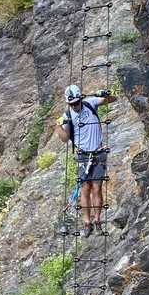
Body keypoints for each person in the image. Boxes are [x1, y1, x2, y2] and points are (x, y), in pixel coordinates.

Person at [57, 83, 115, 237]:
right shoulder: (68, 115)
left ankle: (97, 221)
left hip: (98, 152)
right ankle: (87, 222)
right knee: (85, 189)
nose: (75, 106)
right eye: (72, 104)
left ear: (81, 99)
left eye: (76, 103)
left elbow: (113, 99)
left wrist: (106, 94)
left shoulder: (91, 103)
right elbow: (64, 139)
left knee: (97, 188)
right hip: (82, 155)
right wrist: (58, 126)